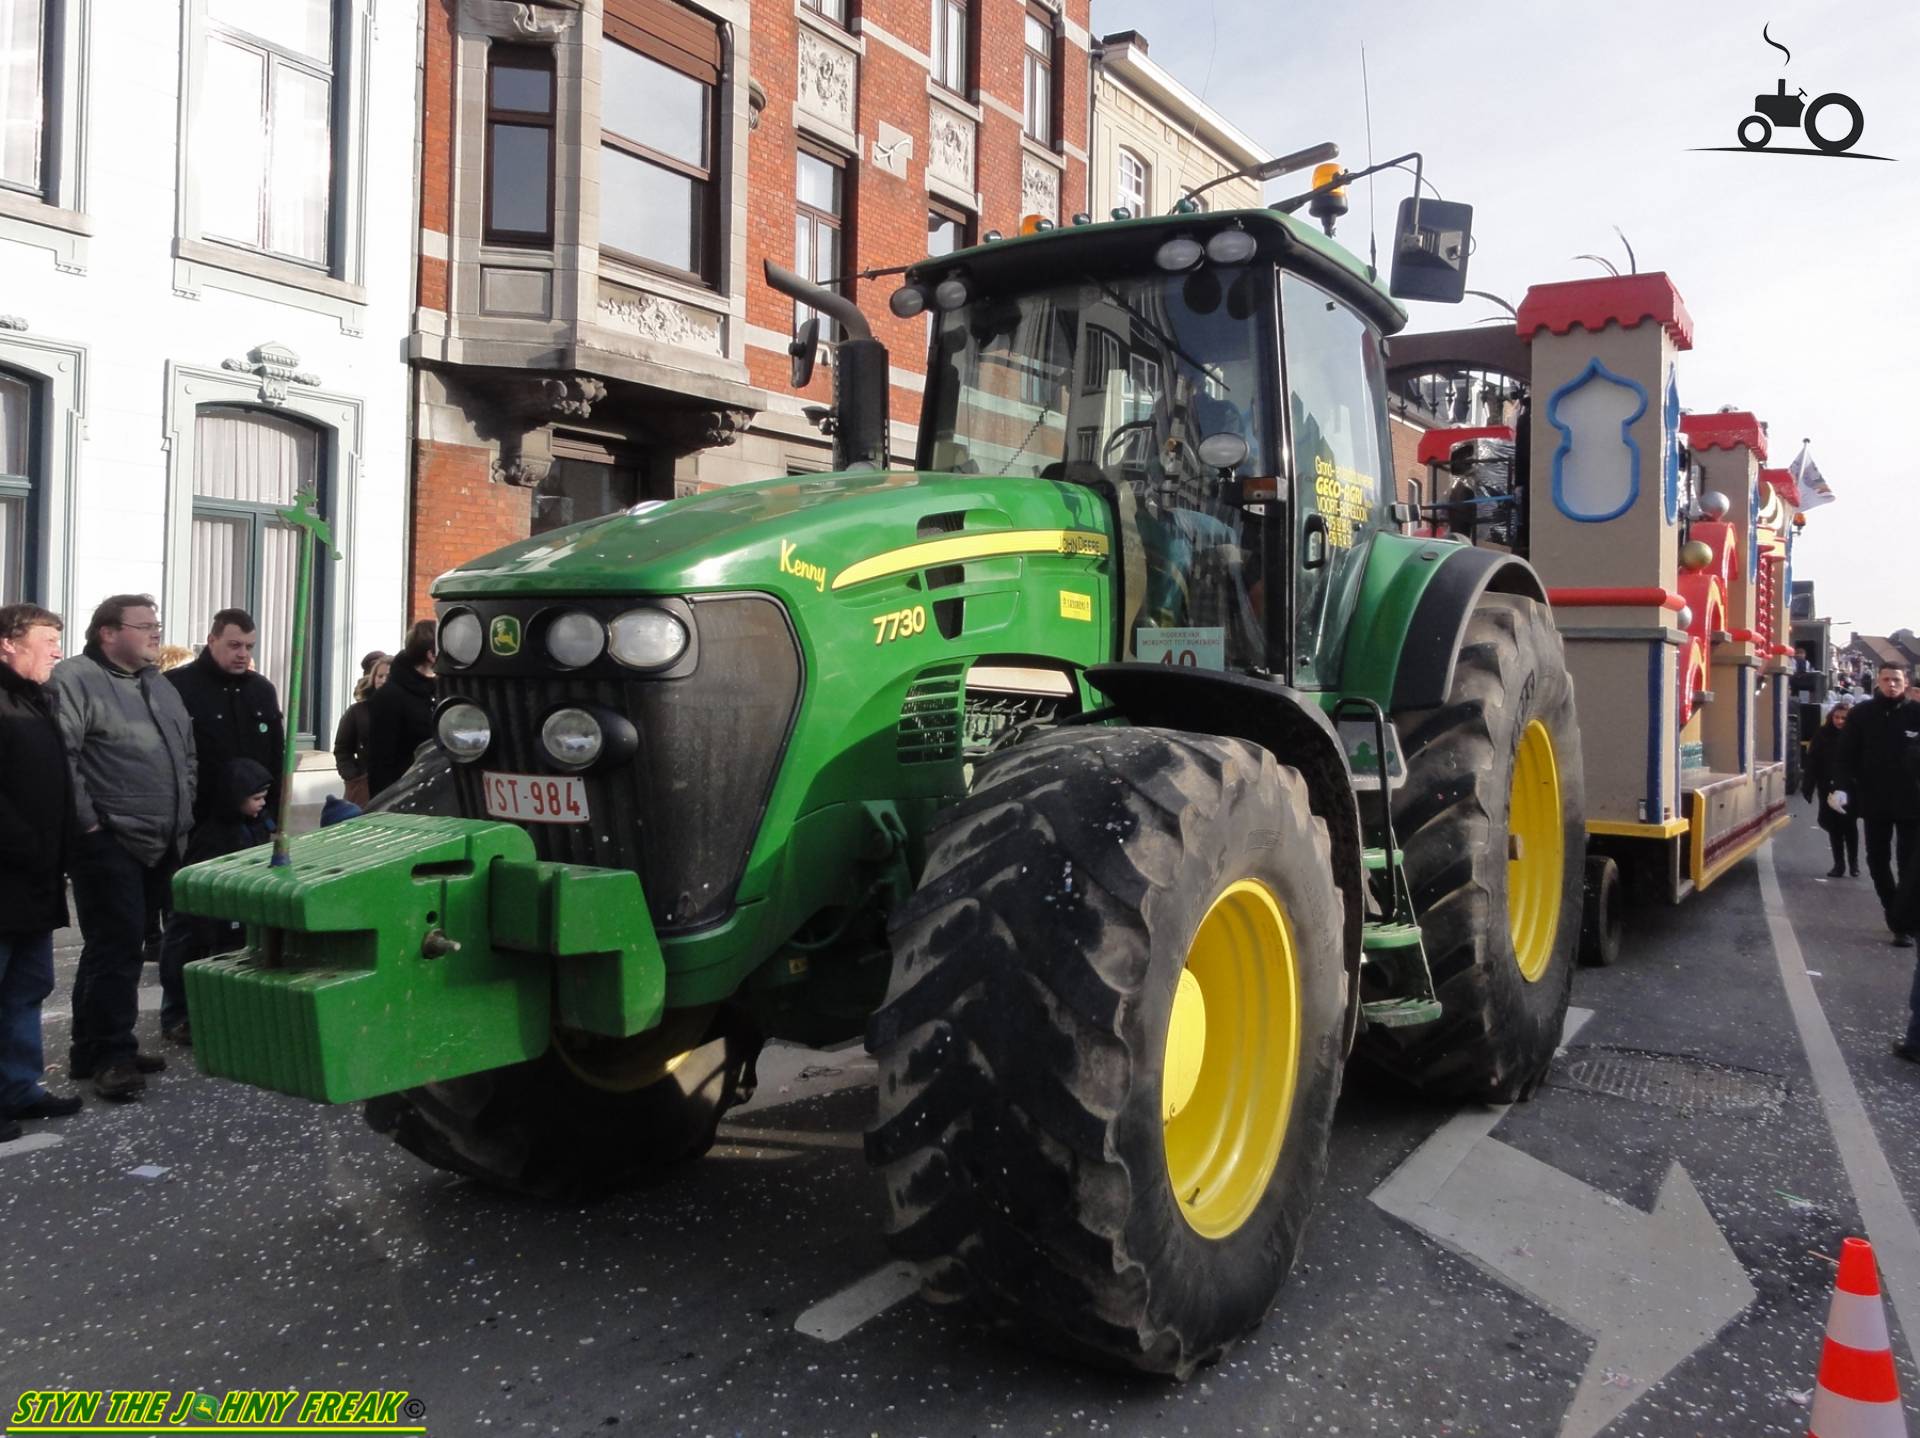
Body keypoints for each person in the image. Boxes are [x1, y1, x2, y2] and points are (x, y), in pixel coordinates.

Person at [49, 594, 195, 1101]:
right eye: (145, 626)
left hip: (161, 839)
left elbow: (185, 753)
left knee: (121, 948)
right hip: (109, 839)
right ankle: (110, 1056)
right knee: (115, 946)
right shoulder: (75, 679)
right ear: (108, 633)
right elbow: (62, 757)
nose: (156, 633)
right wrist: (89, 824)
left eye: (157, 625)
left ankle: (97, 1047)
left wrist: (186, 809)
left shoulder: (158, 684)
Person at [0, 604, 85, 1137]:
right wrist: (27, 843)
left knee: (27, 986)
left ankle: (18, 1089)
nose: (57, 651)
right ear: (8, 643)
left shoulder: (37, 698)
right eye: (47, 640)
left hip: (35, 875)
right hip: (10, 868)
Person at [156, 757, 274, 1044]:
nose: (261, 804)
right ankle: (178, 1017)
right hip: (204, 914)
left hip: (230, 912)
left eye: (264, 798)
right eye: (256, 798)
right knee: (187, 961)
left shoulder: (254, 826)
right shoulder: (215, 835)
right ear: (236, 798)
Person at [166, 608, 285, 826]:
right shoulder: (176, 686)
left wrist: (273, 816)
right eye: (234, 645)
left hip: (254, 819)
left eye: (249, 647)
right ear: (212, 640)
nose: (243, 654)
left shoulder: (262, 689)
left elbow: (277, 755)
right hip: (200, 818)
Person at [1834, 661, 1920, 945]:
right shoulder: (1861, 714)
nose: (1891, 684)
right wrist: (1842, 788)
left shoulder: (1917, 714)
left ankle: (1903, 923)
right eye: (1886, 679)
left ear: (1905, 682)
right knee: (1877, 860)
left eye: (1896, 679)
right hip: (1875, 800)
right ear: (1878, 683)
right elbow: (1845, 756)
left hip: (1912, 802)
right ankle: (1893, 909)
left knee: (1910, 864)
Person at [365, 621, 436, 798]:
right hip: (405, 796)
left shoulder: (446, 688)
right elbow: (380, 761)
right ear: (431, 655)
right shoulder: (389, 697)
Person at [1802, 701, 1859, 879]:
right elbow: (1812, 761)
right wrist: (1808, 785)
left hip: (1850, 787)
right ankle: (1839, 863)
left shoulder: (1856, 736)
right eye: (1836, 717)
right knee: (1832, 825)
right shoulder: (1823, 735)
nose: (1840, 721)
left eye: (1844, 718)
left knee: (1849, 826)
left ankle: (1853, 862)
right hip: (1827, 786)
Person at [332, 651, 389, 808]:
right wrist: (353, 777)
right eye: (380, 676)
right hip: (364, 786)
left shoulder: (406, 708)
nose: (383, 680)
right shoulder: (358, 711)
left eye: (388, 676)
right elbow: (342, 748)